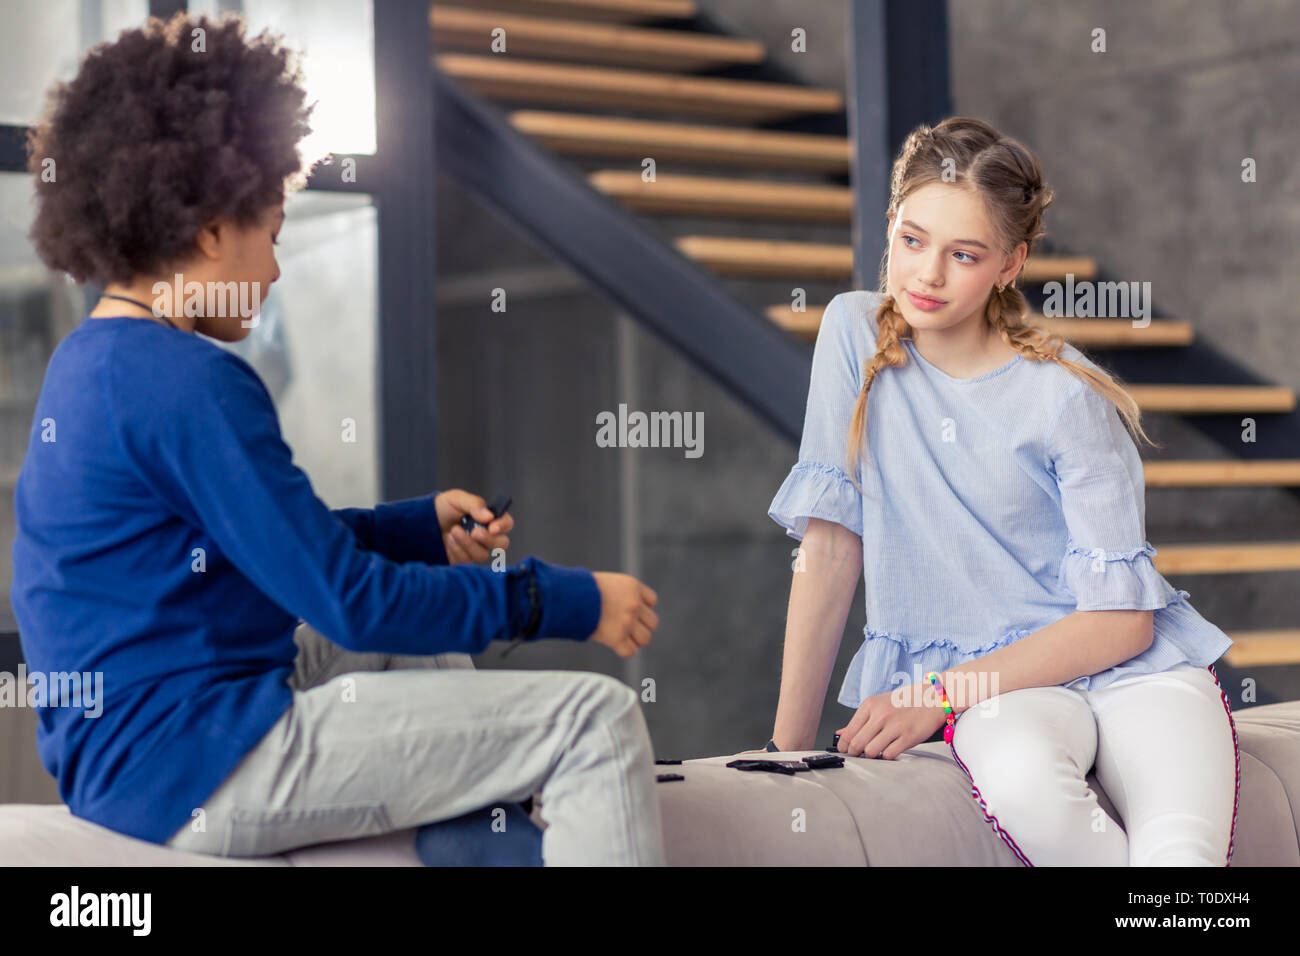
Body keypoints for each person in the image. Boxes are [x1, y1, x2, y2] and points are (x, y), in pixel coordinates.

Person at [11, 11, 664, 866]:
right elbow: (347, 598)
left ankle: (474, 842)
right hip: (195, 767)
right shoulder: (190, 383)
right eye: (272, 236)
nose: (275, 272)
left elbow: (274, 546)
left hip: (138, 753)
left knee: (404, 642)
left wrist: (415, 528)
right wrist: (563, 601)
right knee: (597, 718)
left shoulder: (93, 362)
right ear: (211, 230)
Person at [764, 117, 1240, 866]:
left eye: (964, 255)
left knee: (1181, 863)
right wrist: (783, 756)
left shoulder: (1066, 394)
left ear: (1011, 264)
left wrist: (937, 694)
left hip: (1135, 677)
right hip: (1005, 695)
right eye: (913, 240)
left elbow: (1121, 624)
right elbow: (829, 548)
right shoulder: (854, 333)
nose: (926, 275)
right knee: (1027, 789)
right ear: (889, 226)